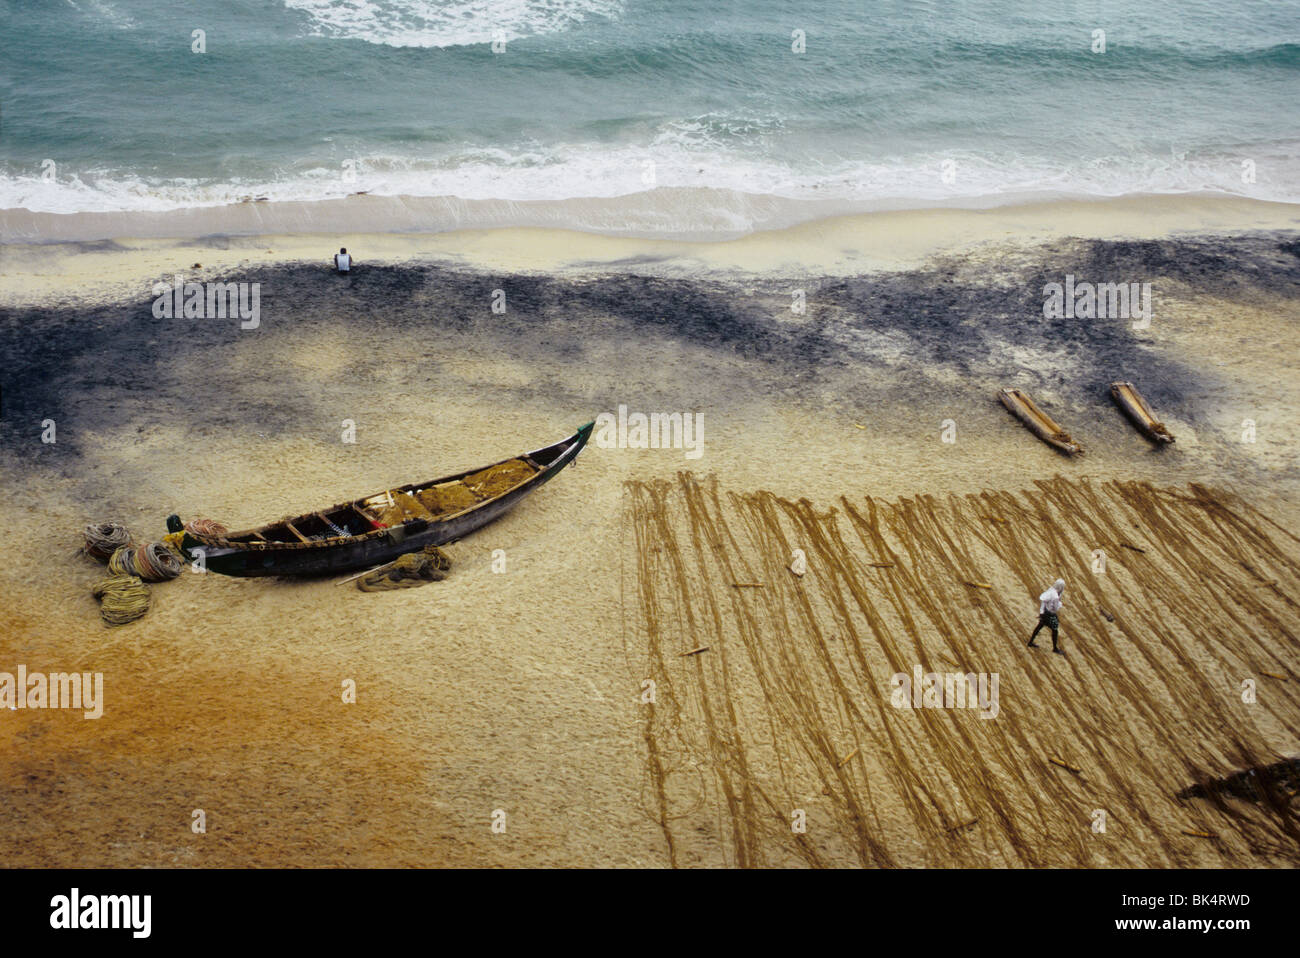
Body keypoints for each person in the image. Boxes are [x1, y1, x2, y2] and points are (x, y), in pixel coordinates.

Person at [1028, 578, 1066, 655]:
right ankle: (1055, 648)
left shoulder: (1051, 590)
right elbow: (1056, 608)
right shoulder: (1056, 596)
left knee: (1039, 626)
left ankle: (1030, 642)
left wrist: (1042, 612)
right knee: (1055, 630)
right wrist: (1060, 604)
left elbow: (1044, 601)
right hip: (1050, 614)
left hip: (1045, 613)